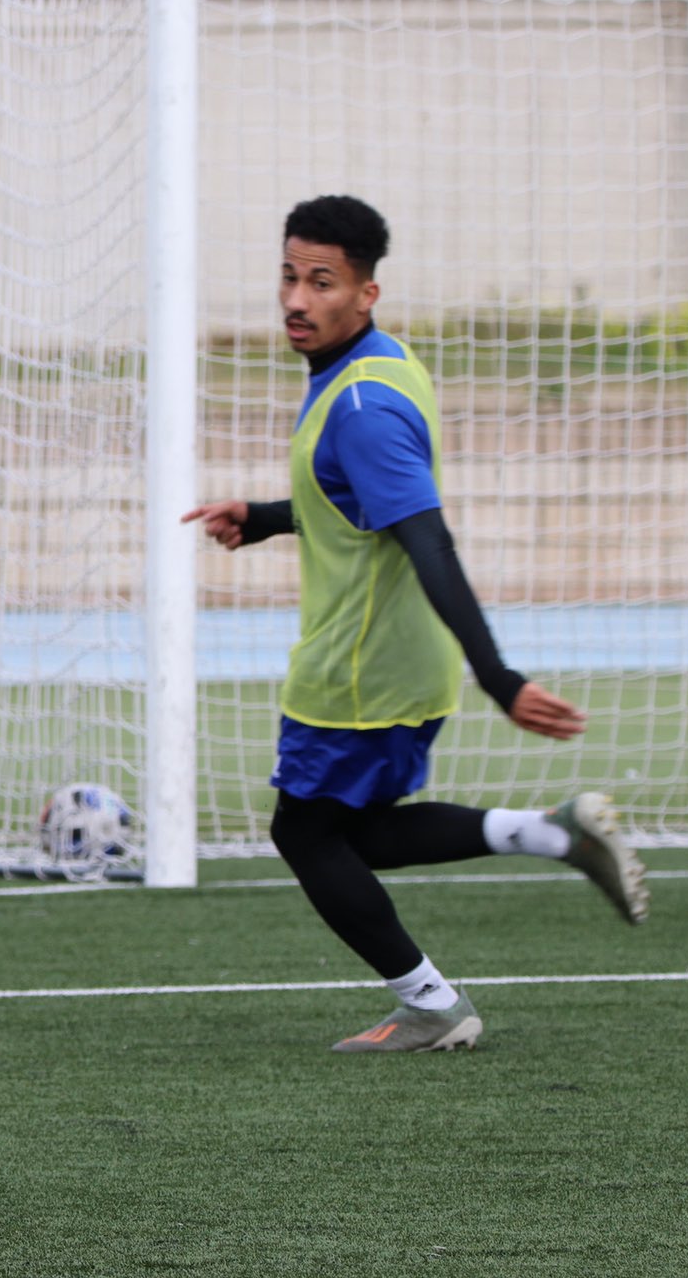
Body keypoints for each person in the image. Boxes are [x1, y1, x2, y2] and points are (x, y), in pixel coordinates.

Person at [182, 194, 649, 1054]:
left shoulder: (361, 408)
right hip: (395, 665)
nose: (296, 298)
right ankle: (550, 833)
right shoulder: (383, 367)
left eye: (322, 281)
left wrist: (500, 676)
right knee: (352, 832)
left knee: (305, 832)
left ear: (366, 293)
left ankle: (431, 1003)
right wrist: (271, 515)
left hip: (361, 673)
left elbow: (428, 539)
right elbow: (355, 501)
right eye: (289, 275)